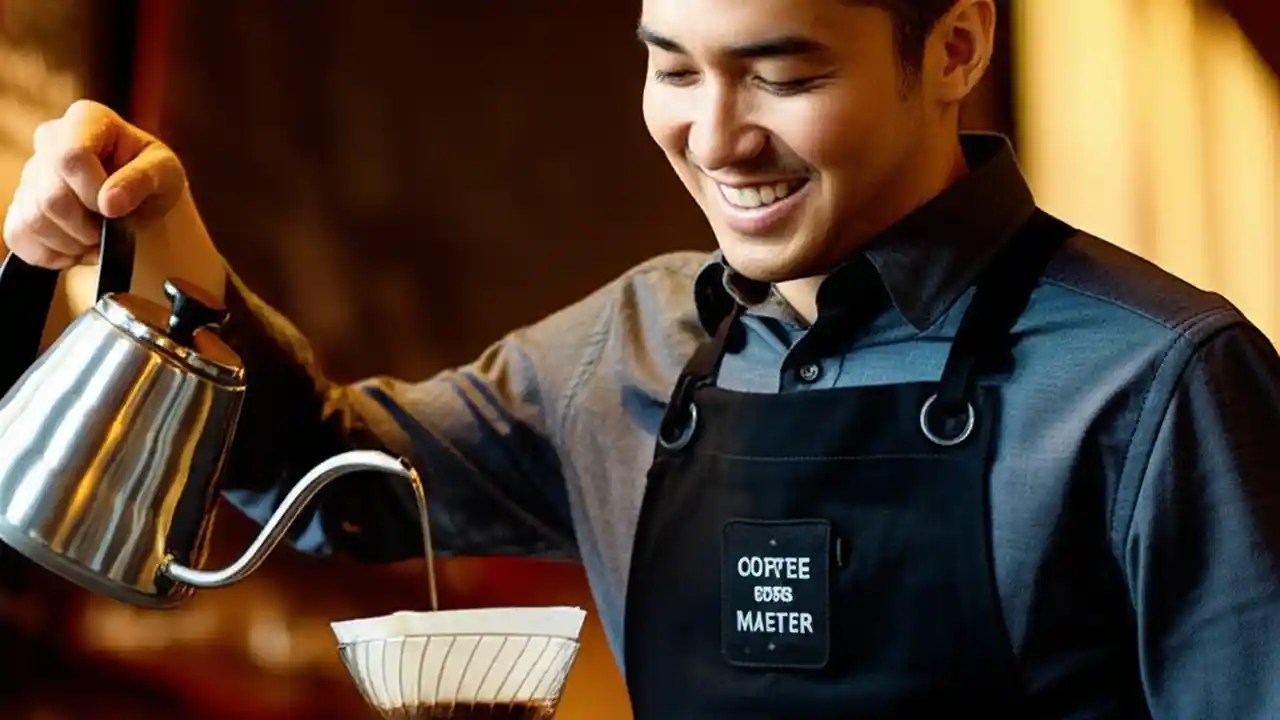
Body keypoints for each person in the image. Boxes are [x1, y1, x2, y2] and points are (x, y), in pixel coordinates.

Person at [4, 0, 1279, 717]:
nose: (714, 136)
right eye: (670, 66)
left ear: (952, 47)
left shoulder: (1156, 383)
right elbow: (329, 475)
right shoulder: (624, 348)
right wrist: (164, 240)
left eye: (782, 75)